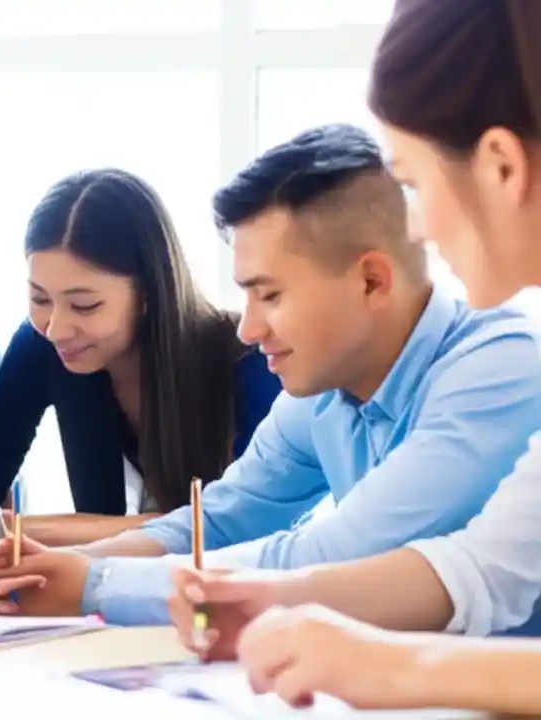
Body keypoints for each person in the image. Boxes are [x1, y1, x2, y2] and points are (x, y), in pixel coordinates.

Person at [0, 124, 541, 629]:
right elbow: (217, 520)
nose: (247, 329)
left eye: (269, 294)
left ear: (371, 282)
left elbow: (331, 554)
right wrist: (72, 566)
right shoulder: (320, 394)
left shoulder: (498, 368)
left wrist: (97, 586)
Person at [168, 1, 541, 713]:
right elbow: (484, 568)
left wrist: (395, 669)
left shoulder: (504, 356)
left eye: (411, 181)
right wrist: (274, 600)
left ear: (500, 164)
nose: (417, 226)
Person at [0, 168, 281, 547]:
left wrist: (30, 528)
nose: (56, 327)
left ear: (150, 293)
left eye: (84, 305)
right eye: (39, 299)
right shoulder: (43, 344)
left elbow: (241, 524)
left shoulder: (251, 361)